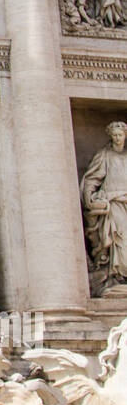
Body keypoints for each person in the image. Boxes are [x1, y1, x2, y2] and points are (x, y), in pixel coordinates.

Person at [81, 121, 127, 293]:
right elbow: (92, 179)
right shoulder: (104, 155)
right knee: (121, 240)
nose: (117, 138)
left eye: (120, 135)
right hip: (113, 204)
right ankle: (117, 277)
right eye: (114, 135)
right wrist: (89, 198)